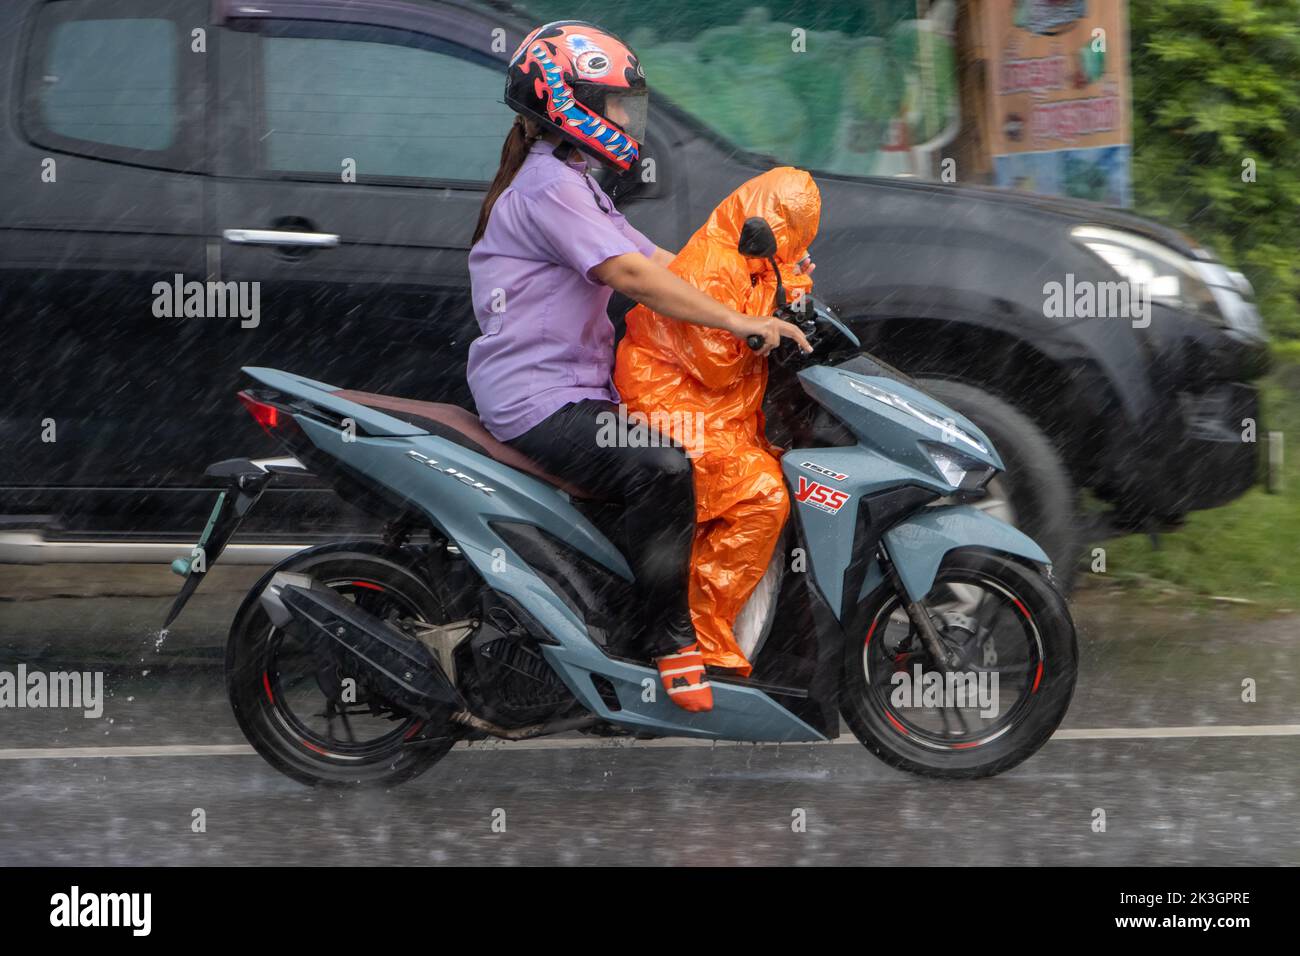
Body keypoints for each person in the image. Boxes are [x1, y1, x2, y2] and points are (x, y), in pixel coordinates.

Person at [466, 20, 810, 712]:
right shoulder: (547, 190)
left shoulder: (572, 181)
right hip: (539, 400)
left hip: (574, 390)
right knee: (662, 468)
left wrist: (763, 283)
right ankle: (662, 639)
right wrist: (738, 322)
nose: (626, 117)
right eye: (615, 103)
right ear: (568, 104)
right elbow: (632, 276)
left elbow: (661, 261)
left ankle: (615, 617)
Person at [615, 167, 821, 676]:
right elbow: (717, 364)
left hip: (711, 407)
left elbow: (774, 310)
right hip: (670, 402)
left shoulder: (756, 262)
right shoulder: (715, 262)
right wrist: (776, 299)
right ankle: (703, 635)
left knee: (769, 477)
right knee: (760, 495)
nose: (794, 238)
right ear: (769, 221)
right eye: (790, 227)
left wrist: (787, 280)